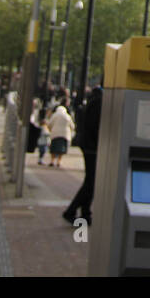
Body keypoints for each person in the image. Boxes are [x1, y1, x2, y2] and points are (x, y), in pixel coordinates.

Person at [64, 86, 102, 225]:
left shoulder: (92, 102)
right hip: (93, 147)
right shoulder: (99, 103)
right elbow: (96, 127)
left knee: (91, 181)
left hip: (88, 146)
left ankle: (85, 213)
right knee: (91, 182)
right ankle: (72, 210)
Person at [47, 103, 74, 168]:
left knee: (53, 148)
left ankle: (52, 161)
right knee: (62, 149)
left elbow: (49, 124)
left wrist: (50, 130)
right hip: (64, 134)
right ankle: (59, 161)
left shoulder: (55, 115)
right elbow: (72, 126)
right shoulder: (67, 116)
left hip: (55, 134)